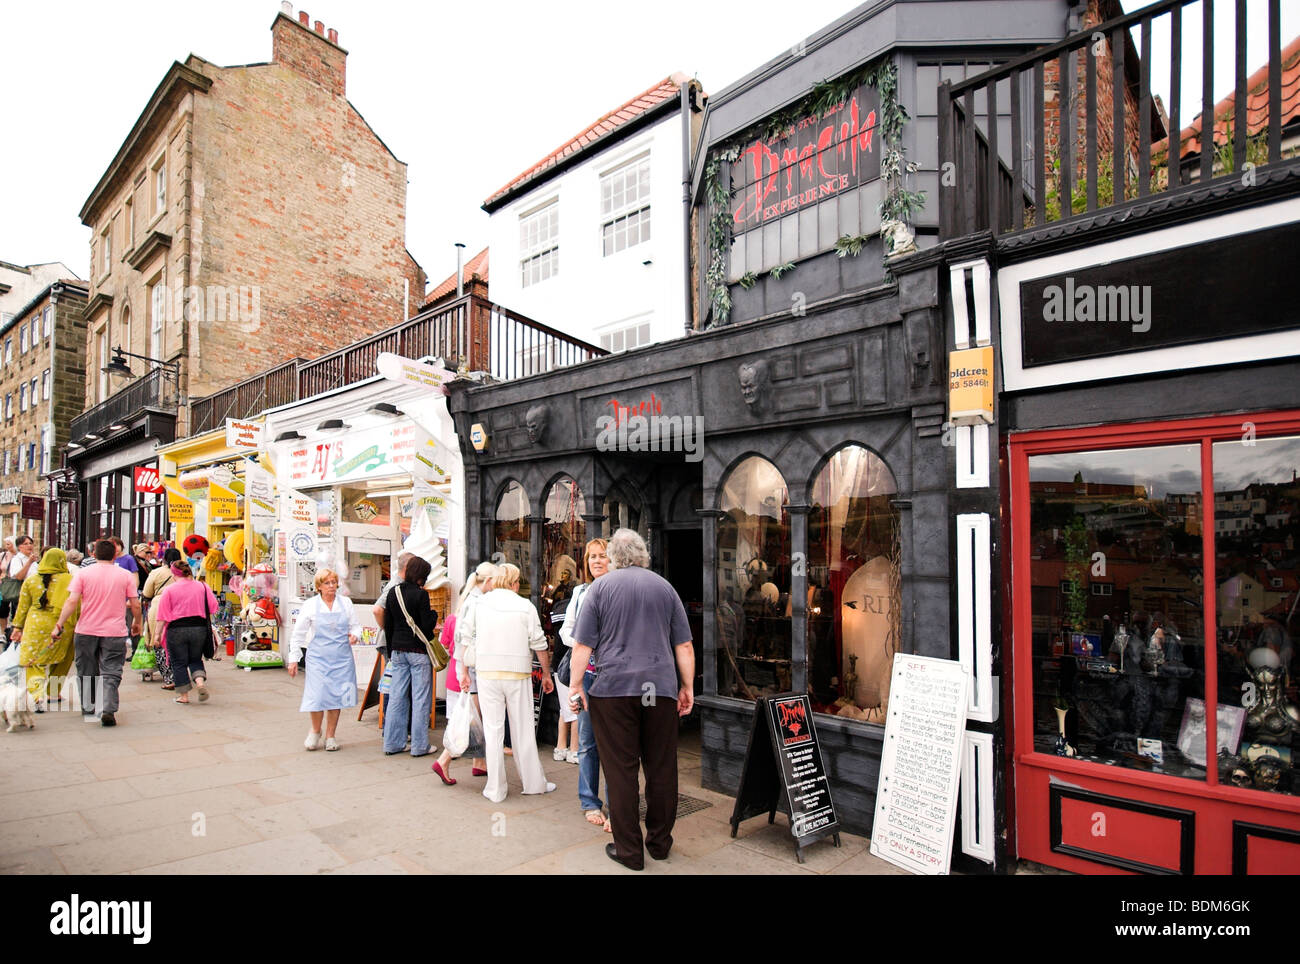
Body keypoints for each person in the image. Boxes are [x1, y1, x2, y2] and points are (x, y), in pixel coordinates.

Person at [571, 528, 694, 870]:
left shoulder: (600, 588)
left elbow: (583, 646)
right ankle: (659, 843)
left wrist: (575, 685)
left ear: (613, 557)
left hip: (613, 690)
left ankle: (629, 852)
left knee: (620, 771)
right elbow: (683, 645)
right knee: (661, 767)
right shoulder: (664, 587)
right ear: (643, 555)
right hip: (658, 689)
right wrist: (687, 687)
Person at [459, 563, 555, 803]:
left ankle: (496, 789)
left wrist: (463, 671)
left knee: (493, 730)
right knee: (523, 730)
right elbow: (539, 643)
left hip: (487, 673)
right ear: (514, 583)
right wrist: (546, 674)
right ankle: (534, 783)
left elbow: (464, 637)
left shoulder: (481, 604)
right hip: (517, 674)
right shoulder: (524, 606)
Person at [53, 539, 141, 727]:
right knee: (111, 671)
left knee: (85, 669)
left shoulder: (83, 574)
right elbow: (135, 603)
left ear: (93, 554)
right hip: (115, 631)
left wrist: (59, 624)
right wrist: (137, 622)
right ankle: (107, 708)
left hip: (86, 629)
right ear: (115, 555)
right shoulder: (125, 575)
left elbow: (71, 602)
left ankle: (89, 705)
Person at [559, 537, 611, 829]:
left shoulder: (619, 589)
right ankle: (590, 801)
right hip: (588, 676)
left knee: (614, 744)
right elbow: (566, 631)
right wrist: (584, 643)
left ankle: (615, 803)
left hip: (614, 676)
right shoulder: (580, 592)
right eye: (592, 557)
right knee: (588, 742)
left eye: (602, 556)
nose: (596, 561)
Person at [431, 563, 494, 785]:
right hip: (472, 669)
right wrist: (465, 672)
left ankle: (479, 763)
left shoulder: (469, 601)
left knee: (477, 718)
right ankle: (444, 760)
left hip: (467, 668)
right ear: (487, 581)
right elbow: (465, 641)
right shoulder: (477, 603)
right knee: (471, 720)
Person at [287, 568, 360, 751]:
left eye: (334, 582)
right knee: (317, 695)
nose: (332, 586)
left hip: (342, 657)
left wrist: (355, 636)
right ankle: (315, 730)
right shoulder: (311, 605)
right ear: (319, 586)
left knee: (337, 696)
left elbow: (356, 626)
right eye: (327, 583)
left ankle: (331, 735)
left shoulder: (346, 603)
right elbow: (298, 634)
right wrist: (293, 658)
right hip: (318, 657)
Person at [381, 555, 437, 757]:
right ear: (421, 575)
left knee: (396, 696)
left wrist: (391, 649)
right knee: (420, 698)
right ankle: (419, 746)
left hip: (397, 650)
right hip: (417, 652)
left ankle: (393, 743)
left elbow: (388, 624)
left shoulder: (392, 592)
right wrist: (434, 616)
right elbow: (426, 626)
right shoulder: (421, 595)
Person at [9, 548, 79, 708]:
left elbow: (22, 607)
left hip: (35, 625)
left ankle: (36, 694)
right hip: (62, 625)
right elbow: (76, 604)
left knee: (34, 661)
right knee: (63, 659)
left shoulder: (31, 580)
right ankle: (53, 693)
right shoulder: (70, 580)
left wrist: (17, 627)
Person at [153, 559, 219, 705]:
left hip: (176, 629)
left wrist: (156, 635)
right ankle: (200, 684)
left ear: (173, 574)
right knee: (195, 659)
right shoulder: (202, 586)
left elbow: (162, 616)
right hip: (199, 628)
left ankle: (184, 696)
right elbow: (213, 607)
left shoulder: (169, 590)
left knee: (179, 662)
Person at [142, 548, 183, 688]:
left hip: (159, 608)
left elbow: (147, 594)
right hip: (181, 608)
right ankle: (180, 674)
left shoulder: (157, 572)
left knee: (159, 642)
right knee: (178, 643)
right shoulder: (185, 571)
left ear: (164, 558)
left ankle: (168, 678)